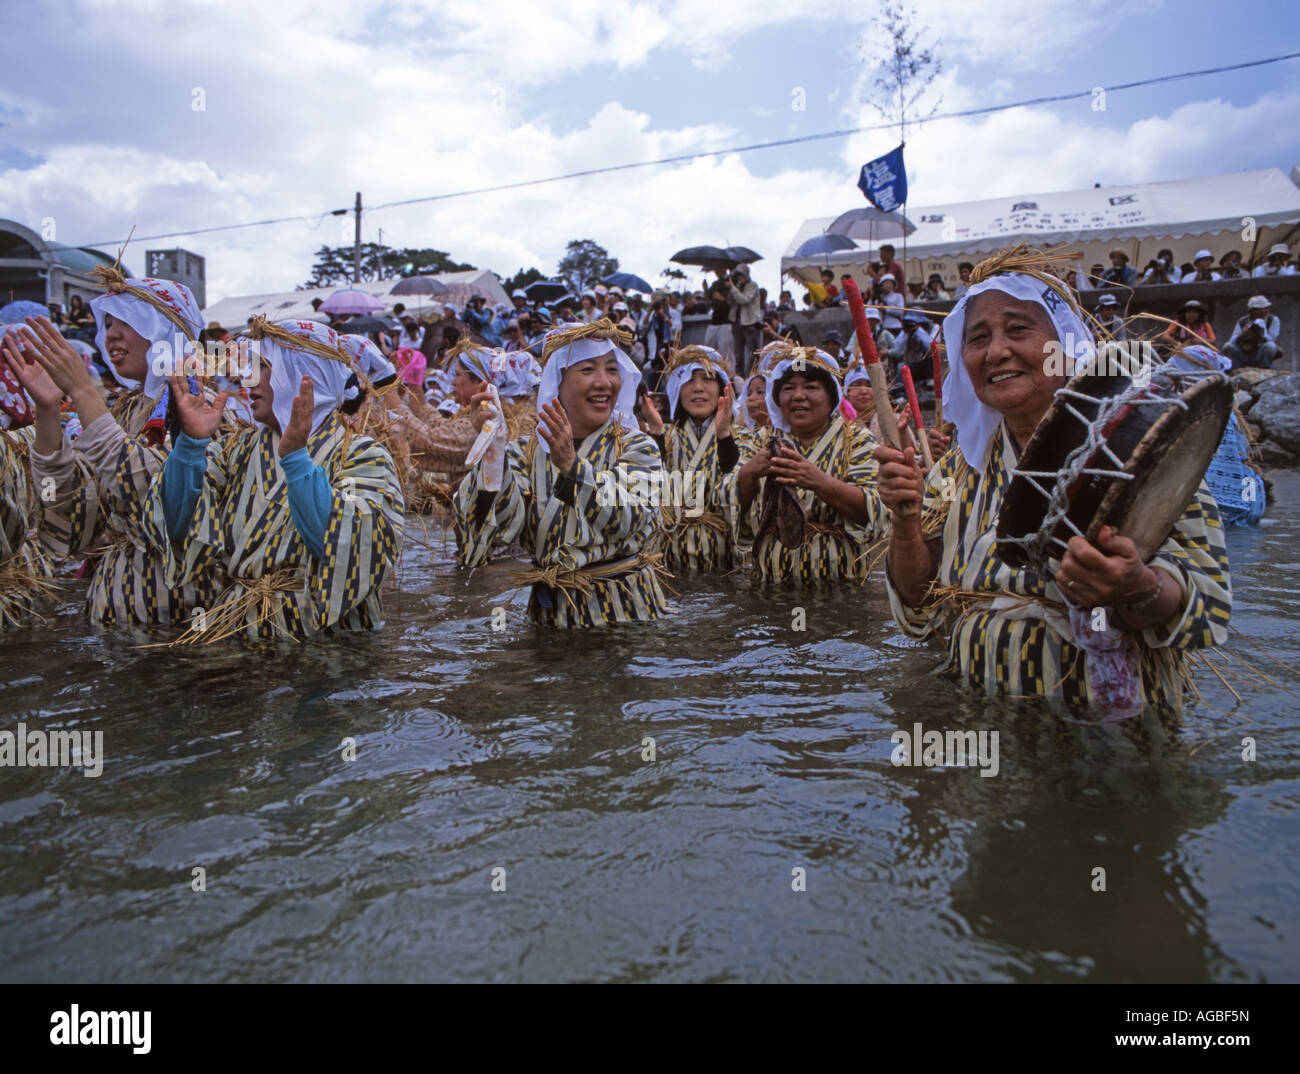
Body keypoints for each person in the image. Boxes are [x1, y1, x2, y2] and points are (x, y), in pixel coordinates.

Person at [875, 246, 1231, 716]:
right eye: (977, 338)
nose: (997, 350)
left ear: (1062, 343)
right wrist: (905, 522)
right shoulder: (958, 472)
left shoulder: (1137, 444)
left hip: (1105, 739)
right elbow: (920, 610)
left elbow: (1209, 606)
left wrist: (1135, 585)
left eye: (1018, 329)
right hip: (983, 728)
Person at [146, 317, 404, 640]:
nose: (247, 377)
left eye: (264, 367)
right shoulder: (235, 450)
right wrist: (189, 447)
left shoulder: (363, 455)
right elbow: (179, 525)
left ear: (301, 375)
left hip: (326, 644)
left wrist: (297, 460)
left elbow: (351, 546)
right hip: (241, 635)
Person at [3, 270, 232, 626]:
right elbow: (73, 520)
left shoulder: (211, 410)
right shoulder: (123, 410)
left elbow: (163, 509)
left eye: (127, 321)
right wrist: (47, 411)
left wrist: (82, 393)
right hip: (115, 609)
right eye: (108, 322)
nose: (112, 334)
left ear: (165, 330)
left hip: (182, 617)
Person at [454, 319, 673, 627]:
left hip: (624, 617)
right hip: (550, 618)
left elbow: (629, 519)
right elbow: (498, 530)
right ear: (557, 379)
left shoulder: (637, 447)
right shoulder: (524, 454)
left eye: (611, 369)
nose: (604, 382)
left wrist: (572, 468)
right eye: (587, 370)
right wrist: (493, 453)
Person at [731, 345, 887, 585]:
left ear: (831, 395)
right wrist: (748, 474)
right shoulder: (760, 441)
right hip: (771, 586)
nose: (798, 396)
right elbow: (731, 505)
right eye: (789, 388)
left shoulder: (856, 440)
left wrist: (818, 481)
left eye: (811, 387)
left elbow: (873, 509)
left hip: (840, 584)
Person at [639, 345, 738, 573]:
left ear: (723, 388)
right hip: (668, 563)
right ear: (676, 389)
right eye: (688, 380)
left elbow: (738, 485)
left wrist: (724, 436)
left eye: (708, 379)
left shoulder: (743, 437)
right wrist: (654, 429)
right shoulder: (662, 436)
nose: (698, 388)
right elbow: (645, 487)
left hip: (725, 564)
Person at [726, 264, 762, 377]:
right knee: (738, 355)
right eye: (737, 275)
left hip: (750, 324)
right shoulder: (736, 286)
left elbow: (744, 299)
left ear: (746, 274)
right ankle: (739, 379)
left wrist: (732, 288)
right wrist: (731, 289)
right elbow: (730, 302)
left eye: (741, 275)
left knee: (752, 354)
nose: (739, 277)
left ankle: (753, 377)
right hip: (737, 324)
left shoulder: (752, 286)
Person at [889, 312, 935, 384]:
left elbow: (930, 347)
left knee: (929, 356)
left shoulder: (931, 329)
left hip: (927, 366)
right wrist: (904, 332)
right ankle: (901, 391)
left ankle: (930, 380)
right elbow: (898, 348)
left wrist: (918, 331)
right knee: (901, 366)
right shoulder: (906, 332)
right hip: (913, 365)